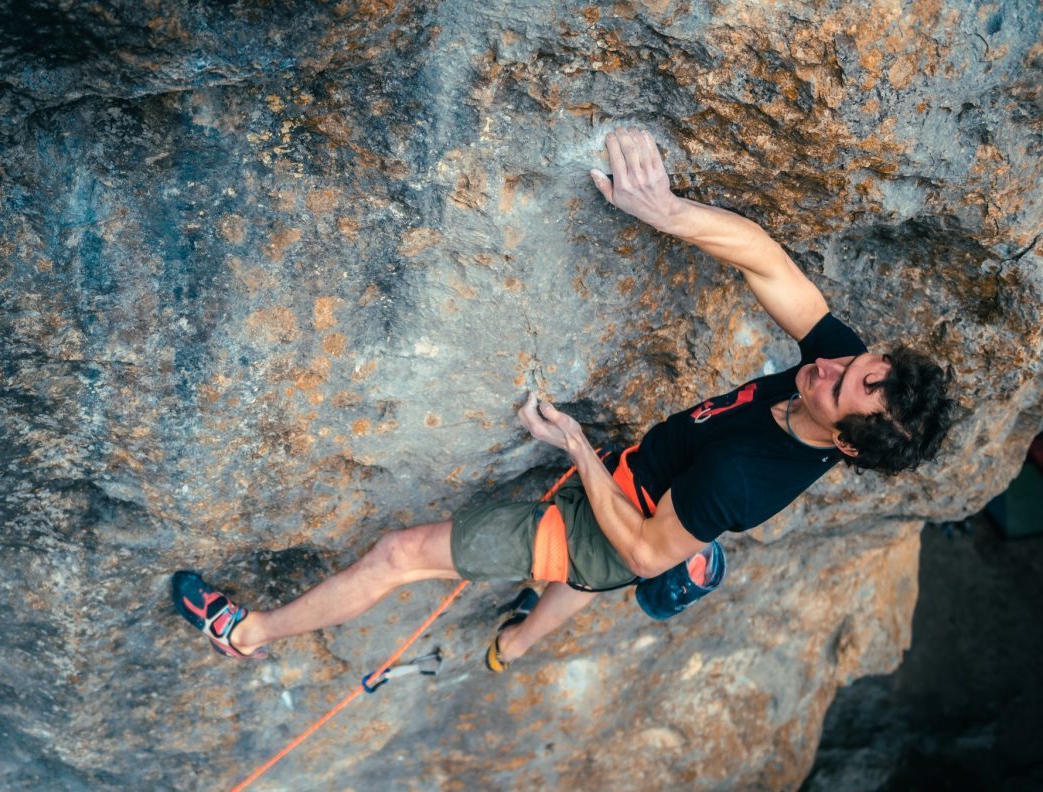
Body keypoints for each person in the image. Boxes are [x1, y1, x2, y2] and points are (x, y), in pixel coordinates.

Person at [172, 127, 956, 670]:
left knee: (403, 555)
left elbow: (645, 550)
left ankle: (247, 633)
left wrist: (579, 450)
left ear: (848, 442)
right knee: (585, 584)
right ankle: (512, 647)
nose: (826, 367)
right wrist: (667, 211)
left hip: (611, 529)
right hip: (646, 483)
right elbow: (770, 266)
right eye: (854, 361)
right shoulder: (845, 372)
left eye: (843, 385)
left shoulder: (748, 477)